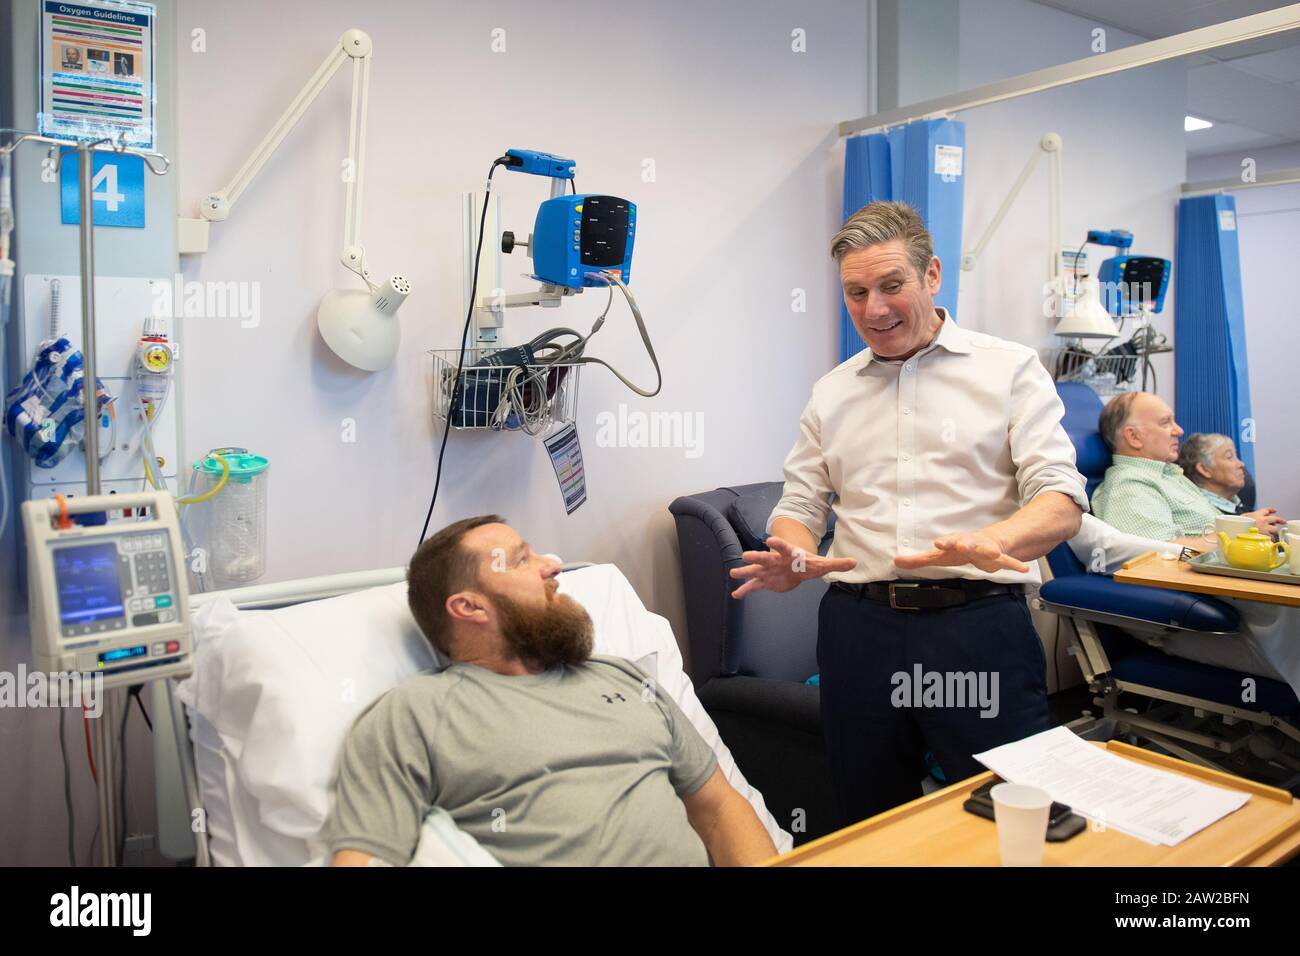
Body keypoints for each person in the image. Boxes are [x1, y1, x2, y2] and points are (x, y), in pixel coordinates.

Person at [730, 200, 1086, 825]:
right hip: (858, 633)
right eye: (856, 292)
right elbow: (803, 502)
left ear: (931, 276)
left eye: (891, 285)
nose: (874, 309)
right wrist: (791, 545)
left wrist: (992, 541)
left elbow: (1060, 500)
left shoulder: (1008, 370)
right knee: (869, 817)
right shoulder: (833, 391)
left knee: (1010, 814)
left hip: (977, 629)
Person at [324, 515, 777, 867]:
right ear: (468, 606)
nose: (552, 565)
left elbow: (718, 808)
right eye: (522, 559)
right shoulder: (416, 714)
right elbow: (367, 855)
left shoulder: (624, 678)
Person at [1091, 393, 1283, 544]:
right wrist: (1241, 532)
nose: (1179, 430)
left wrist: (1244, 525)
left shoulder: (1170, 476)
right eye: (1166, 423)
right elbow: (1159, 555)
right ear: (1133, 437)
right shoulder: (1130, 484)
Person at [1177, 432, 1251, 516]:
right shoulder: (1198, 516)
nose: (1241, 464)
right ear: (1204, 469)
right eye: (1229, 457)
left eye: (1236, 456)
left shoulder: (1244, 510)